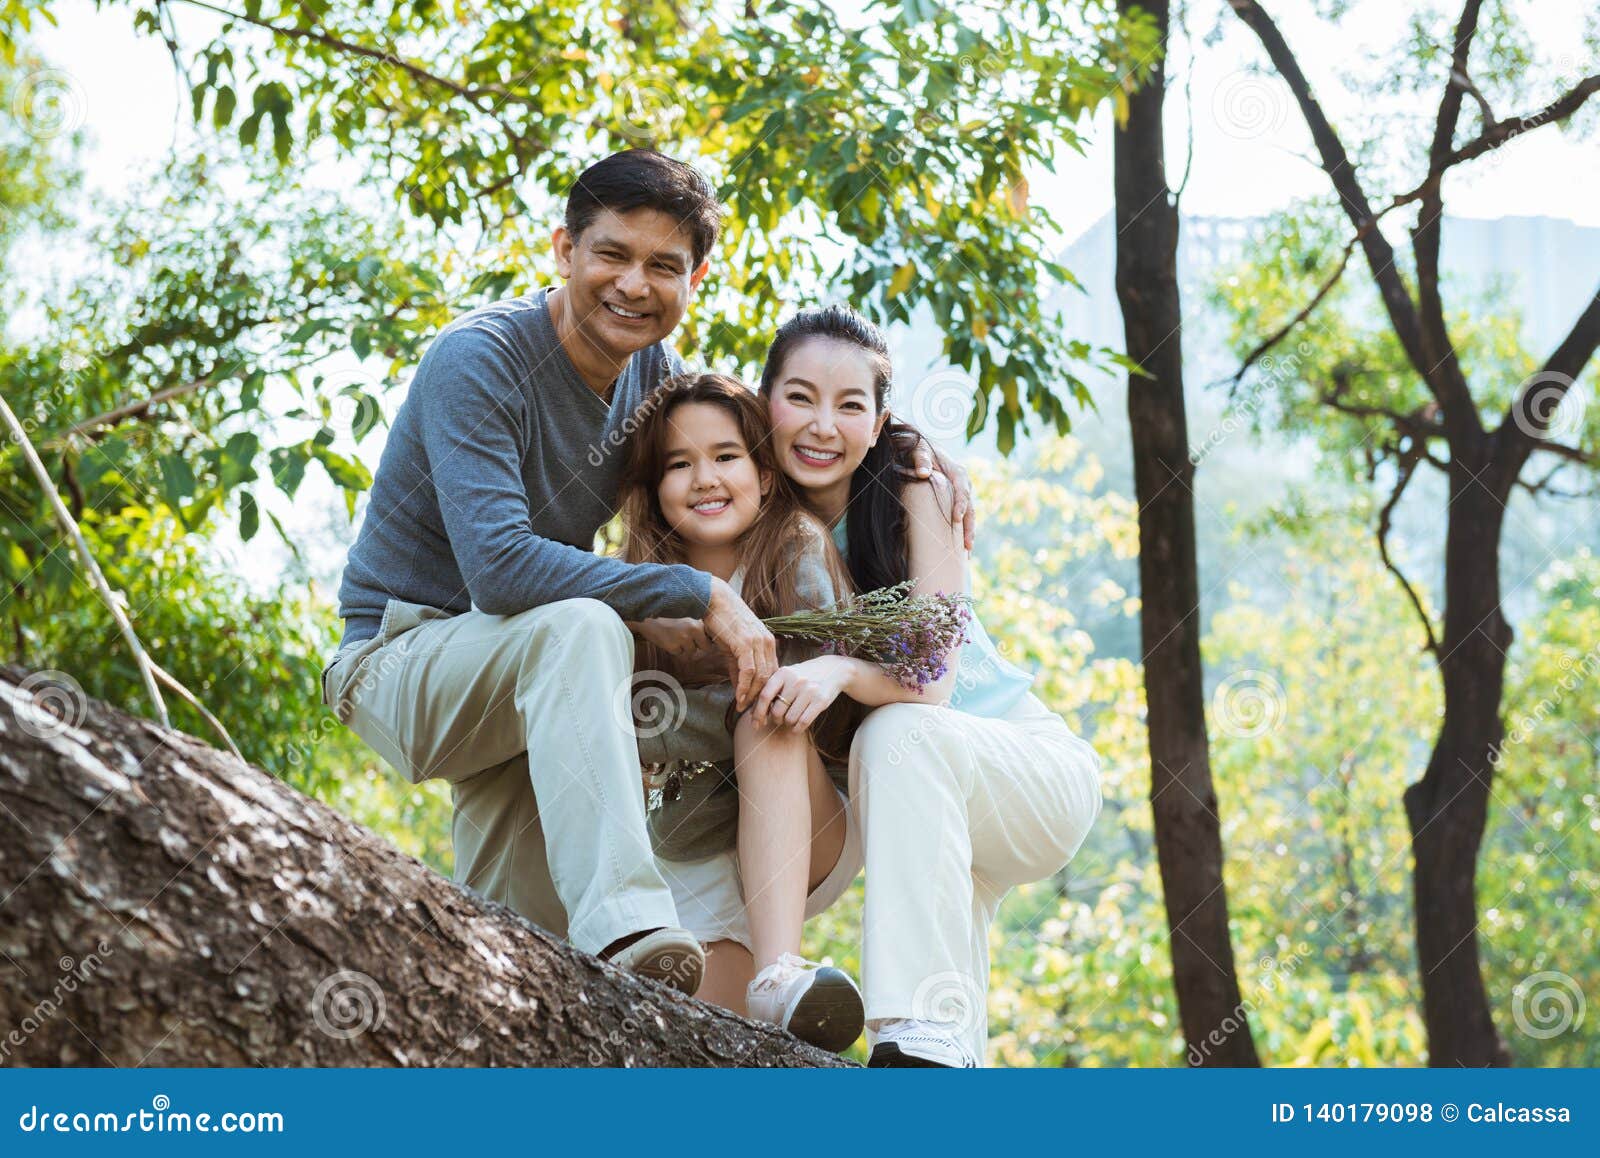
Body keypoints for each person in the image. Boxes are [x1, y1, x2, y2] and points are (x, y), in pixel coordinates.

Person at [317, 149, 781, 995]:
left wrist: (904, 463)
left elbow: (726, 490)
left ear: (696, 277)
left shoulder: (654, 378)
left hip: (532, 690)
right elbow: (499, 568)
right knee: (582, 625)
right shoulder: (481, 358)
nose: (634, 285)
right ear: (563, 250)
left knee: (514, 963)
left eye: (663, 266)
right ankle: (634, 922)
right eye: (612, 255)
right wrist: (698, 596)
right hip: (399, 658)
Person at [757, 305, 1105, 1067]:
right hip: (923, 796)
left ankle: (907, 1043)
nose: (823, 424)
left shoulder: (913, 489)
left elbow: (932, 679)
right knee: (956, 1019)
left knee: (899, 731)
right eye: (801, 397)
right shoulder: (753, 512)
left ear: (880, 423)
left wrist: (842, 668)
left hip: (1022, 762)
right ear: (765, 404)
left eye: (851, 405)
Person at [616, 371, 873, 1050]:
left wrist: (658, 728)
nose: (704, 478)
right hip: (695, 838)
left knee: (768, 712)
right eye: (678, 464)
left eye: (725, 456)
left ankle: (781, 969)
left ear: (763, 472)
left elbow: (793, 691)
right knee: (707, 1044)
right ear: (652, 490)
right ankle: (769, 1005)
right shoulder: (639, 591)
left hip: (805, 820)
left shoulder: (793, 545)